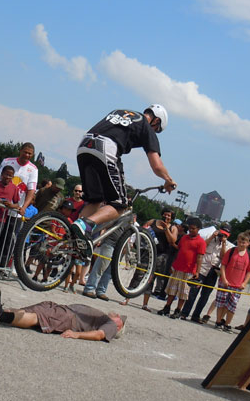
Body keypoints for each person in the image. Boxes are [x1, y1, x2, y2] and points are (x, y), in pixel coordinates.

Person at [72, 105, 176, 258]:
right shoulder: (146, 125)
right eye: (157, 130)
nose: (154, 132)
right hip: (106, 148)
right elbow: (156, 165)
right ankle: (84, 224)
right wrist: (168, 180)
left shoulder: (121, 112)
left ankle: (73, 236)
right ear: (156, 121)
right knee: (119, 204)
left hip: (84, 145)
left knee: (95, 199)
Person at [0, 287, 126, 342]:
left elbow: (99, 335)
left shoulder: (111, 326)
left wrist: (77, 335)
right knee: (30, 311)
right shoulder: (105, 319)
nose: (117, 315)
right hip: (63, 309)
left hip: (68, 317)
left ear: (119, 326)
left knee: (38, 317)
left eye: (120, 317)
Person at [180, 223, 232, 323]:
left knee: (205, 295)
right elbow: (202, 247)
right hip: (202, 268)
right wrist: (212, 236)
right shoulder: (210, 237)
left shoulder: (228, 246)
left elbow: (223, 257)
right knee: (193, 292)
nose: (222, 236)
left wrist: (223, 244)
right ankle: (184, 313)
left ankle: (196, 315)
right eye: (221, 234)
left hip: (214, 271)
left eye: (225, 235)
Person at [158, 218, 206, 318]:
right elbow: (179, 250)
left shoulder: (201, 242)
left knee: (183, 292)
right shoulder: (184, 238)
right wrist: (173, 264)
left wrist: (197, 272)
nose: (191, 230)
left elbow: (200, 257)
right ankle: (167, 307)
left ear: (198, 229)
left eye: (193, 228)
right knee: (172, 289)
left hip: (189, 270)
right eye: (190, 228)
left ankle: (178, 310)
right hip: (177, 267)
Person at [213, 232, 250, 332]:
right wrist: (224, 278)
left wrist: (244, 283)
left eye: (243, 242)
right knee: (221, 303)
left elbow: (249, 271)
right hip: (225, 282)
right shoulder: (231, 251)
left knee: (232, 306)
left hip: (237, 285)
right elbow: (223, 265)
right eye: (239, 242)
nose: (241, 244)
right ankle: (218, 321)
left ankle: (227, 324)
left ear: (248, 243)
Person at [0, 142, 38, 217]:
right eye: (25, 152)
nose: (27, 155)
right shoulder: (7, 161)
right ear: (20, 151)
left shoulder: (34, 169)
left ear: (32, 155)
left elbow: (31, 191)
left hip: (16, 212)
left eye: (29, 153)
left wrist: (24, 208)